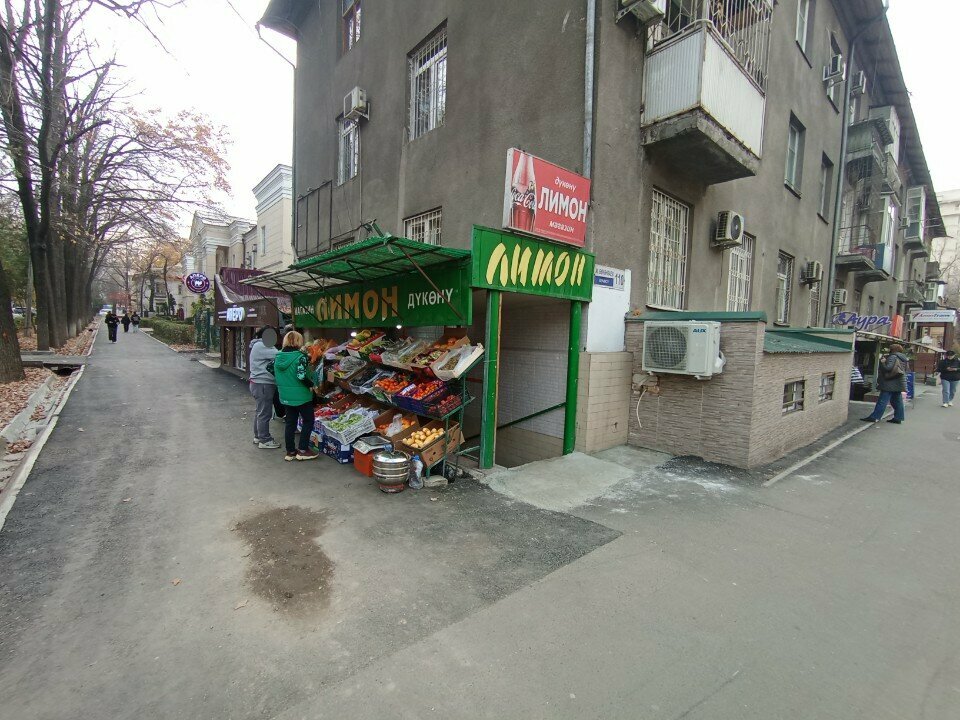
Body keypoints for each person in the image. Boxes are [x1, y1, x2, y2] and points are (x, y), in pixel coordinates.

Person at [271, 331, 319, 461]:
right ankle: (303, 450)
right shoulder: (301, 357)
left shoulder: (278, 356)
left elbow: (269, 368)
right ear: (299, 341)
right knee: (308, 420)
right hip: (301, 395)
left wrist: (282, 380)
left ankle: (290, 452)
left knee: (290, 423)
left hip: (285, 394)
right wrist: (311, 385)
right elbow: (301, 375)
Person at [248, 327, 281, 449]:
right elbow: (280, 355)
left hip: (257, 383)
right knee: (265, 413)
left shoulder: (258, 345)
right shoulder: (262, 345)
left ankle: (258, 436)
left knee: (260, 412)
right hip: (263, 384)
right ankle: (265, 440)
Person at [862, 343, 909, 424]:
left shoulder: (893, 356)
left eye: (890, 349)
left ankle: (875, 417)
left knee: (882, 400)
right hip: (899, 382)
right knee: (897, 401)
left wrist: (883, 362)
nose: (889, 350)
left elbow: (888, 368)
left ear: (893, 350)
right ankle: (898, 418)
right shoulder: (903, 358)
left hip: (890, 382)